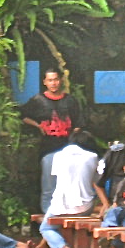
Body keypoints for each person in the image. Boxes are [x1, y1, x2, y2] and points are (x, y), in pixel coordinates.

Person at [21, 67, 83, 212]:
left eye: (55, 79)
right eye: (50, 80)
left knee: (68, 183)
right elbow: (23, 115)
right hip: (47, 147)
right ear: (44, 82)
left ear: (60, 80)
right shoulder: (38, 100)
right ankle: (47, 217)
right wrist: (38, 126)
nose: (53, 83)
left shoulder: (70, 100)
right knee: (48, 184)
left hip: (67, 147)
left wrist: (73, 138)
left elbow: (79, 123)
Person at [40, 130, 101, 248]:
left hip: (59, 205)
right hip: (84, 206)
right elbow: (97, 181)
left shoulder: (57, 156)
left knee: (45, 228)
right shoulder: (92, 157)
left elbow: (56, 179)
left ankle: (62, 247)